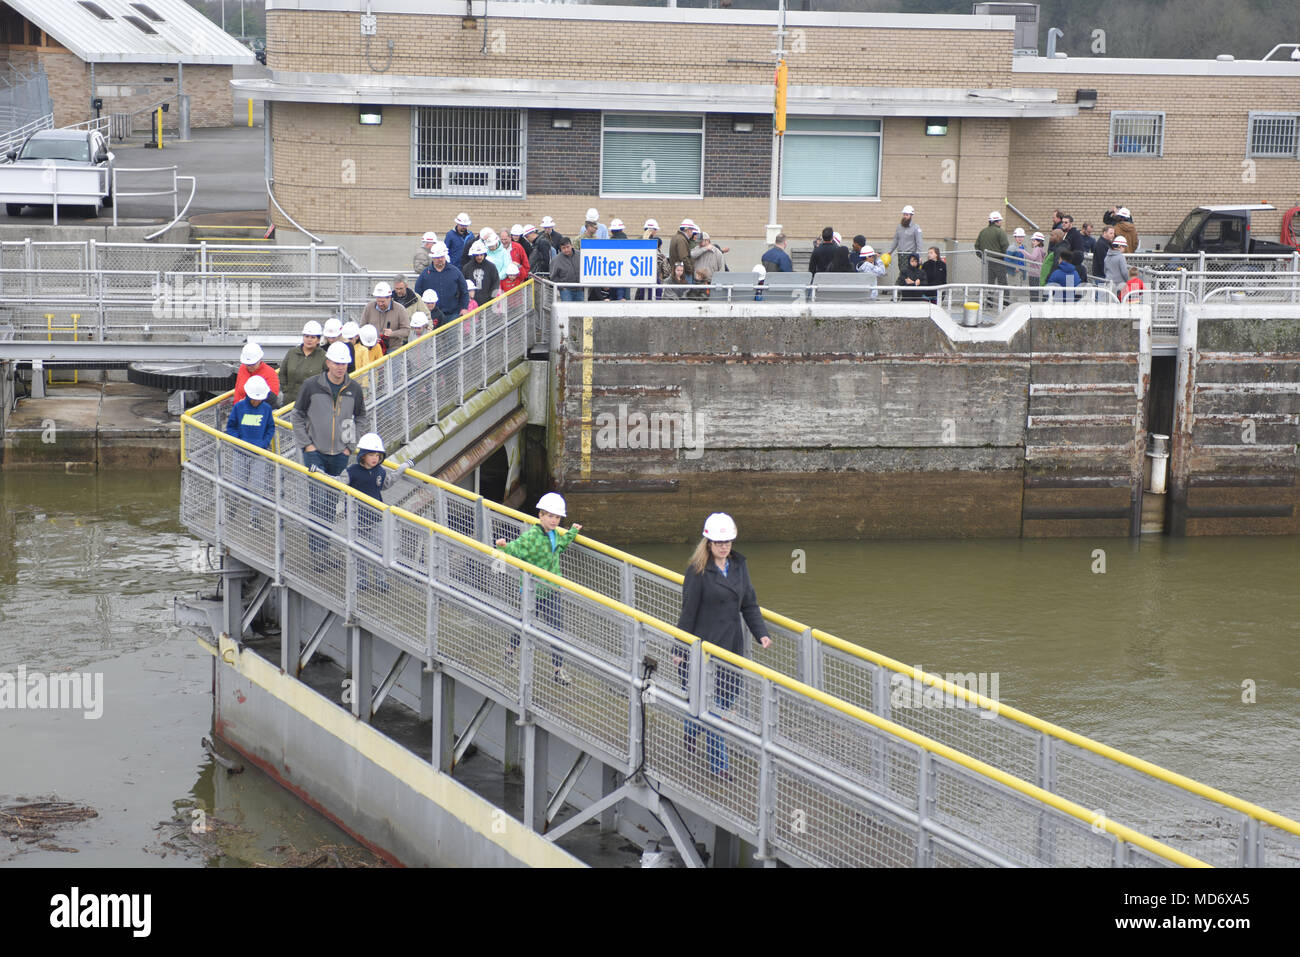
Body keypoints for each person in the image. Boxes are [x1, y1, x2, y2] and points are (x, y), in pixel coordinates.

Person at [674, 512, 771, 782]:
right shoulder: (697, 572)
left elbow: (749, 603)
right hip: (703, 648)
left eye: (728, 541)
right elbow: (688, 613)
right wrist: (680, 649)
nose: (724, 547)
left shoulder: (739, 567)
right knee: (714, 709)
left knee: (724, 702)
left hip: (731, 647)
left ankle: (691, 730)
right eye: (719, 542)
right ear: (708, 543)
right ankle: (719, 766)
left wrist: (760, 633)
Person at [292, 341, 368, 569]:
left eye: (344, 364)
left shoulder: (354, 389)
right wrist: (307, 445)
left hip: (340, 454)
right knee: (317, 501)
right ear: (327, 363)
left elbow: (362, 417)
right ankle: (317, 554)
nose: (340, 367)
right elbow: (296, 416)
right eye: (336, 363)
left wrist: (351, 447)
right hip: (315, 453)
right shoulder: (311, 385)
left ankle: (324, 550)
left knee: (331, 503)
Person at [494, 492, 582, 685]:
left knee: (556, 629)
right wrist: (503, 547)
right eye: (550, 516)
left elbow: (560, 546)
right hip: (532, 590)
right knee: (524, 624)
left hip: (551, 590)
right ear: (540, 515)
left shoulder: (554, 534)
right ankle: (510, 651)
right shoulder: (532, 536)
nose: (554, 520)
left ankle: (558, 670)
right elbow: (516, 549)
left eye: (557, 517)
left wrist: (572, 532)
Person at [224, 373, 276, 526]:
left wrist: (264, 443)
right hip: (241, 452)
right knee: (237, 484)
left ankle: (254, 518)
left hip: (259, 453)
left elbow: (270, 427)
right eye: (255, 398)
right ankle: (232, 510)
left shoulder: (266, 409)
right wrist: (239, 442)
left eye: (259, 398)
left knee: (257, 485)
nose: (256, 401)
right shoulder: (239, 407)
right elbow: (231, 426)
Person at [278, 320, 327, 407]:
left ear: (318, 340)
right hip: (290, 402)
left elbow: (327, 378)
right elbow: (282, 373)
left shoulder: (323, 356)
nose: (309, 340)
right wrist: (286, 391)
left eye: (313, 337)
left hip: (312, 404)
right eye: (307, 336)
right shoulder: (292, 352)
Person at [415, 242, 469, 317]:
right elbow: (418, 293)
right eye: (437, 257)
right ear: (432, 258)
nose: (440, 259)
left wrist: (464, 308)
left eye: (441, 257)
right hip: (431, 316)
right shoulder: (425, 274)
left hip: (452, 315)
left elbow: (464, 291)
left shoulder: (456, 272)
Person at [361, 281, 411, 352]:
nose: (380, 304)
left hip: (393, 349)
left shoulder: (400, 309)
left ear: (389, 298)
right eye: (378, 301)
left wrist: (392, 334)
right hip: (372, 347)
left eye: (383, 302)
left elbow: (406, 331)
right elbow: (362, 327)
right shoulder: (369, 308)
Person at [233, 340, 281, 405]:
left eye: (253, 364)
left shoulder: (270, 373)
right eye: (247, 364)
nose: (250, 367)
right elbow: (237, 392)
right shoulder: (242, 368)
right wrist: (236, 407)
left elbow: (272, 399)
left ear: (260, 359)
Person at [975, 211, 1010, 286]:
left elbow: (977, 246)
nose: (1001, 222)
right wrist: (1006, 259)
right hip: (999, 261)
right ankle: (1005, 297)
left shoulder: (983, 232)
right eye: (1000, 220)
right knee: (1002, 282)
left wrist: (982, 257)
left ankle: (989, 297)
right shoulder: (1000, 232)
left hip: (987, 261)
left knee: (989, 282)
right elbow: (1005, 247)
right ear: (996, 222)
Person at [888, 204, 924, 276]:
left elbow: (919, 243)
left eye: (907, 215)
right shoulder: (899, 227)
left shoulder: (916, 228)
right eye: (904, 214)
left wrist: (919, 256)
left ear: (911, 215)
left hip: (910, 255)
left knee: (905, 274)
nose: (905, 216)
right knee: (903, 272)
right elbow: (895, 240)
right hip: (900, 255)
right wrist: (890, 252)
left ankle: (897, 286)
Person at [550, 236, 582, 301]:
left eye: (568, 247)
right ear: (560, 249)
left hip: (580, 289)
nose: (566, 250)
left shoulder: (580, 255)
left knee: (580, 309)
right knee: (567, 310)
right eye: (563, 248)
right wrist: (562, 288)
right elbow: (553, 276)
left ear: (571, 245)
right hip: (566, 290)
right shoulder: (556, 260)